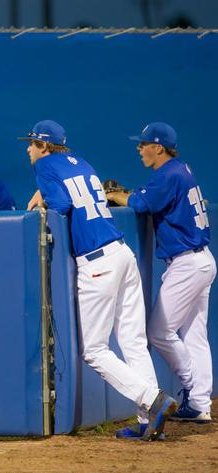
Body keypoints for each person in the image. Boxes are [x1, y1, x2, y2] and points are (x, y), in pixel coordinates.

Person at [22, 120, 177, 441]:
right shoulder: (83, 162)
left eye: (33, 144)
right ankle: (150, 422)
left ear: (45, 146)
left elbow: (63, 205)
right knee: (133, 342)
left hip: (97, 260)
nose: (28, 149)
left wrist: (43, 199)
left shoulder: (46, 165)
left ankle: (152, 401)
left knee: (94, 350)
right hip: (122, 253)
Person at [107, 122, 215, 423]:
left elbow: (141, 204)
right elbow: (149, 197)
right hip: (200, 260)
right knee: (194, 336)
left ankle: (193, 391)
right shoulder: (181, 169)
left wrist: (117, 196)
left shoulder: (168, 173)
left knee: (158, 332)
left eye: (143, 144)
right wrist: (126, 193)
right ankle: (200, 405)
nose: (139, 149)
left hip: (187, 264)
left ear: (158, 147)